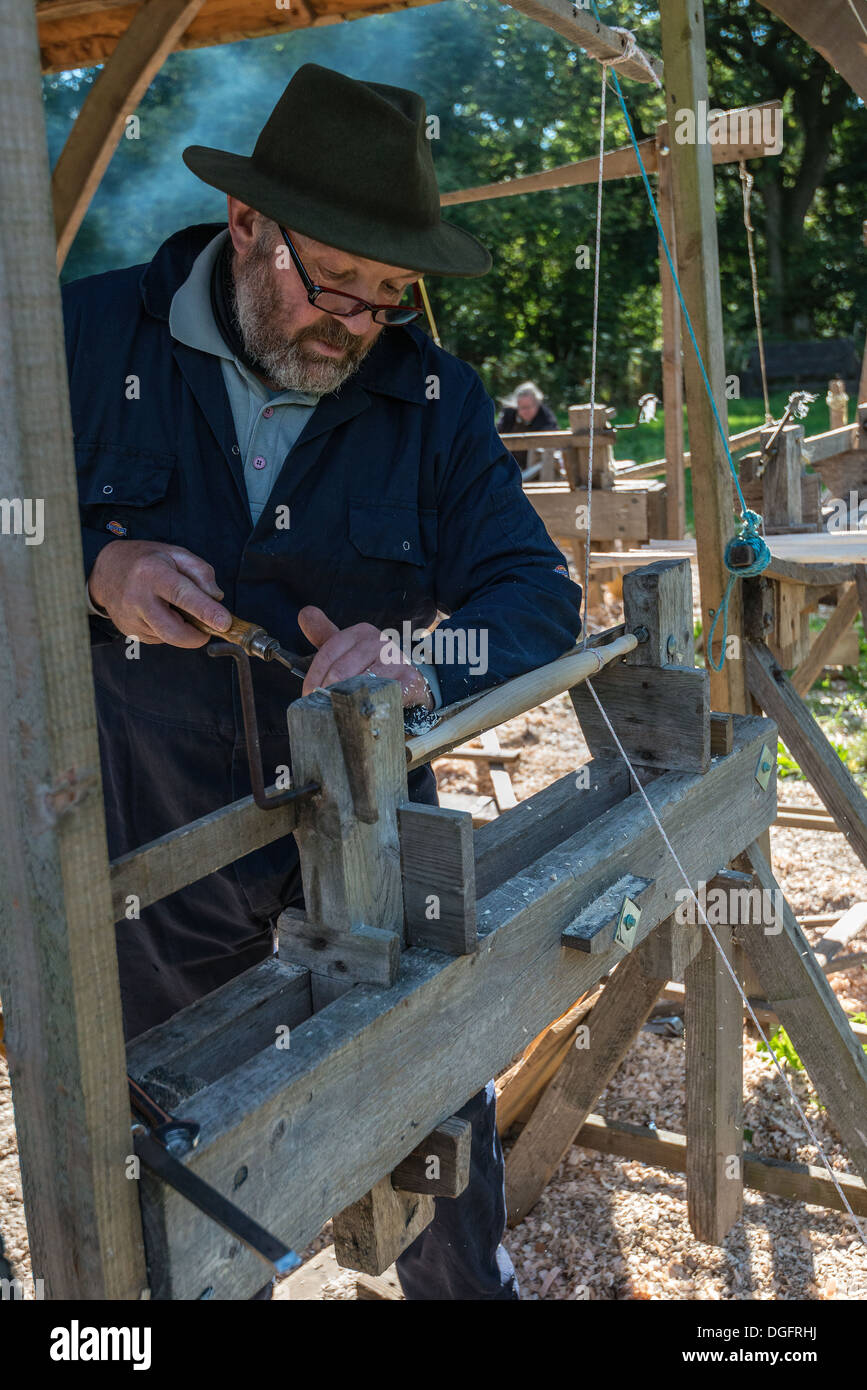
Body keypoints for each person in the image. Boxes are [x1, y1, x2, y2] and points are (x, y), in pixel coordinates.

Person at [64, 63, 582, 1301]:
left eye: (388, 295)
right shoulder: (77, 345)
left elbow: (536, 597)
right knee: (173, 1197)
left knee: (440, 1170)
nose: (357, 323)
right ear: (247, 224)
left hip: (374, 859)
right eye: (334, 281)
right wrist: (94, 568)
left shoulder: (435, 400)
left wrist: (422, 664)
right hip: (149, 858)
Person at [497, 382, 559, 469]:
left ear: (537, 404)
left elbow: (552, 441)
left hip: (537, 467)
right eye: (522, 408)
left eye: (529, 407)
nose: (526, 411)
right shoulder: (508, 415)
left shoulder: (546, 417)